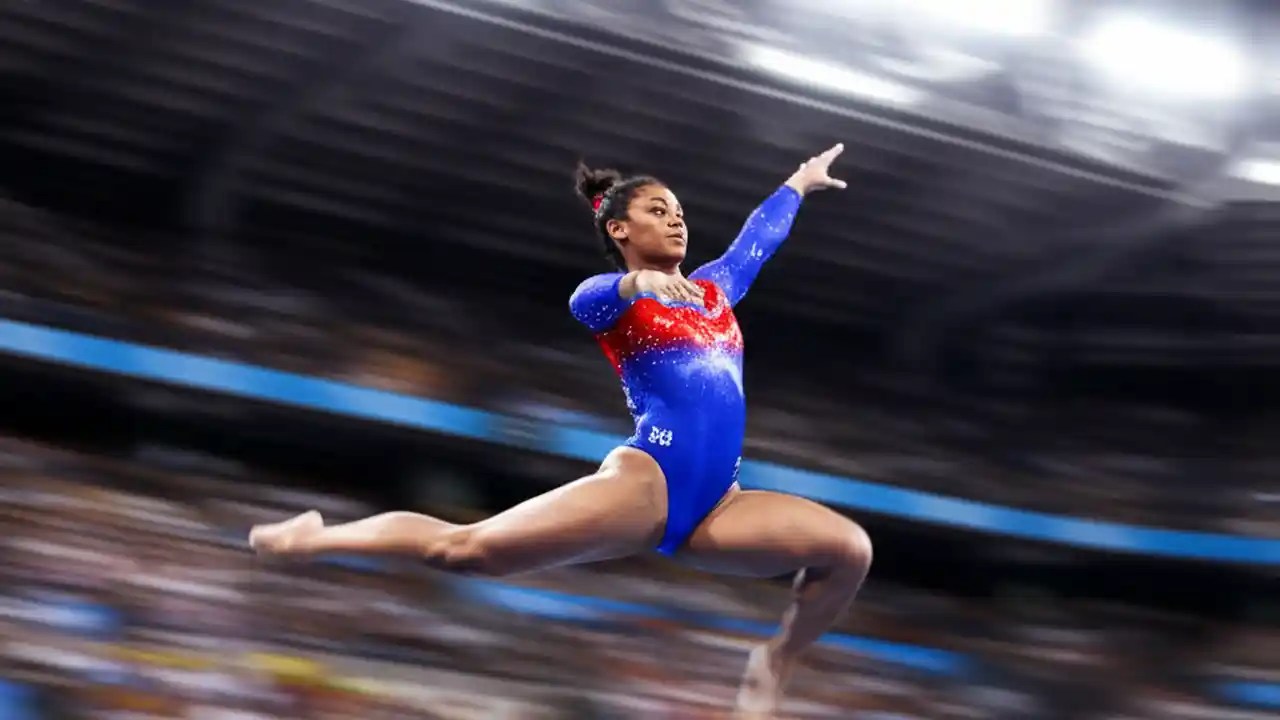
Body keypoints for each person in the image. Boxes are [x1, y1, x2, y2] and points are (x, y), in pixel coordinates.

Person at [249, 144, 873, 716]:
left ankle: (777, 658)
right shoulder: (619, 303)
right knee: (464, 552)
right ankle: (316, 538)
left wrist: (796, 184)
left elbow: (756, 243)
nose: (678, 219)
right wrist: (636, 282)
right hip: (648, 481)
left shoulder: (713, 292)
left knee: (850, 550)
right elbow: (586, 299)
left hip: (721, 503)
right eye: (660, 210)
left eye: (680, 211)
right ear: (620, 229)